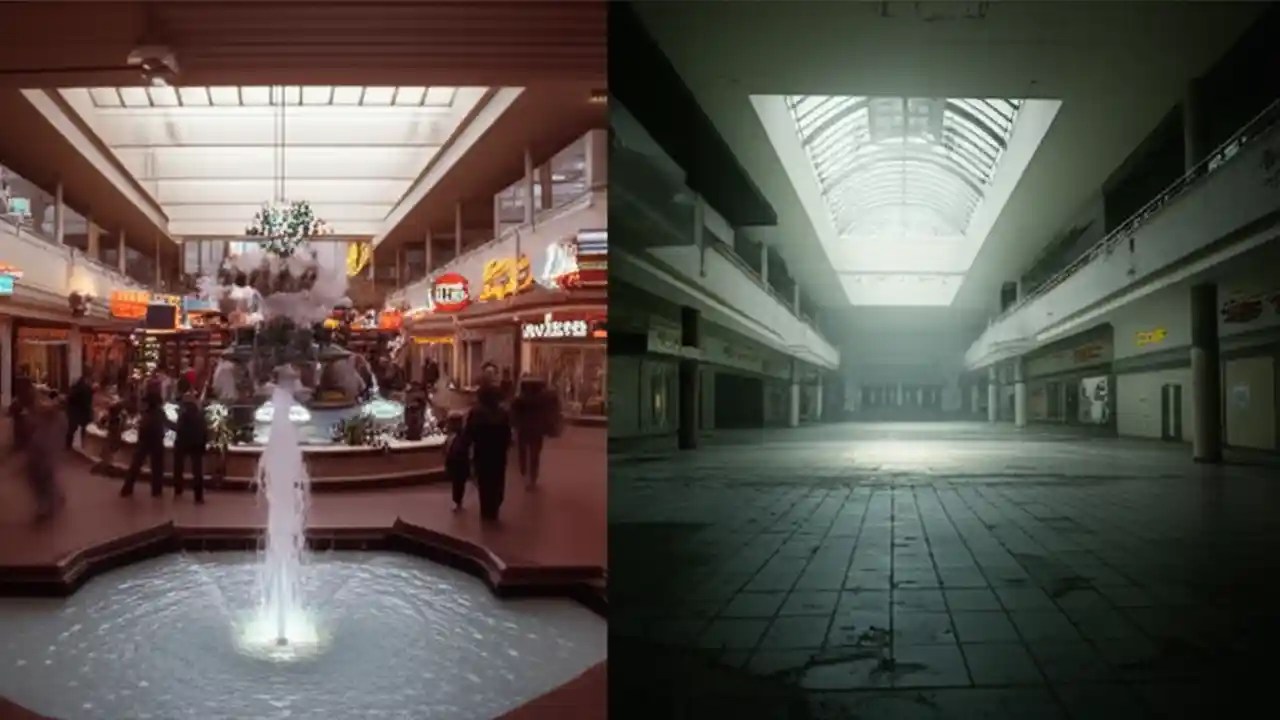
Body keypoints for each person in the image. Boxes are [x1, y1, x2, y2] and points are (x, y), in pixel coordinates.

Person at [465, 383, 512, 521]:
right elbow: (507, 433)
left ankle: (486, 509)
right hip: (498, 453)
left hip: (482, 451)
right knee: (497, 479)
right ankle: (495, 505)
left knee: (484, 481)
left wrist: (469, 445)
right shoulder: (502, 413)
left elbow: (470, 431)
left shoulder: (476, 413)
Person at [26, 391, 67, 520]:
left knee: (44, 479)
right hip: (40, 452)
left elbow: (57, 438)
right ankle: (53, 500)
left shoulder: (59, 419)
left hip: (46, 453)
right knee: (41, 479)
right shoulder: (46, 417)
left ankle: (45, 506)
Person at [120, 388, 169, 498]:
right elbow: (168, 424)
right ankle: (156, 490)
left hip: (144, 441)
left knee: (136, 465)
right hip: (156, 441)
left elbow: (142, 428)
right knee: (157, 467)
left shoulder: (146, 414)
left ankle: (127, 488)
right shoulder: (160, 413)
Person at [511, 376, 556, 488]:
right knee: (535, 454)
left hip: (523, 429)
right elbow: (548, 414)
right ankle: (533, 477)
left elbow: (513, 414)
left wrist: (514, 425)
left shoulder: (519, 400)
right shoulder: (543, 400)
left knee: (522, 452)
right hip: (537, 430)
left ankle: (524, 471)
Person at [172, 380, 207, 504]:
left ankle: (178, 490)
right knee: (197, 470)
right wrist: (204, 442)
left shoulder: (183, 410)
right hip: (197, 442)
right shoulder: (198, 410)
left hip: (183, 442)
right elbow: (204, 427)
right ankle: (198, 496)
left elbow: (179, 427)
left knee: (178, 467)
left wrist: (170, 425)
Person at [92, 388, 127, 476]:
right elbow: (122, 426)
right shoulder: (120, 417)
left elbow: (101, 423)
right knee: (108, 452)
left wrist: (103, 425)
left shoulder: (112, 417)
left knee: (107, 452)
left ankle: (106, 468)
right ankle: (107, 468)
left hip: (112, 435)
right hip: (114, 436)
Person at [442, 412, 470, 511]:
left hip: (459, 464)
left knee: (458, 484)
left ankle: (458, 501)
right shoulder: (452, 436)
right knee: (457, 484)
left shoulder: (462, 436)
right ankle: (457, 501)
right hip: (454, 463)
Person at [65, 375, 94, 449]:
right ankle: (83, 445)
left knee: (71, 429)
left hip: (74, 412)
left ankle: (68, 445)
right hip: (82, 411)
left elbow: (69, 399)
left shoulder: (75, 388)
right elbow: (88, 401)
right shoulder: (87, 388)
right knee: (84, 429)